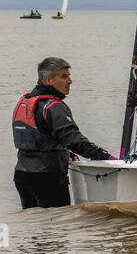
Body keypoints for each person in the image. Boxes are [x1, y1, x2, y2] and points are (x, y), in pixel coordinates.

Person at [13, 56, 113, 209]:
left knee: (33, 228)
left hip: (22, 176)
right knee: (56, 230)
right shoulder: (53, 106)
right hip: (47, 179)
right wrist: (106, 157)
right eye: (64, 76)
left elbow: (41, 137)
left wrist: (66, 154)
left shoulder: (26, 102)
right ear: (49, 80)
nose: (70, 81)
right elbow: (74, 140)